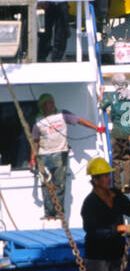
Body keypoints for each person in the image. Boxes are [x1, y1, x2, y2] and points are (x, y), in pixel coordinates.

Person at [29, 93, 104, 221]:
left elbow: (80, 121)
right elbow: (34, 141)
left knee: (59, 185)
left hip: (60, 153)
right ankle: (49, 214)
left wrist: (96, 128)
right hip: (43, 156)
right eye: (48, 103)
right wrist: (32, 158)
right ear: (42, 106)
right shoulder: (38, 121)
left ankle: (59, 213)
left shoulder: (62, 114)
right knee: (46, 185)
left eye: (52, 102)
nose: (52, 104)